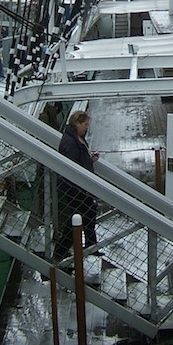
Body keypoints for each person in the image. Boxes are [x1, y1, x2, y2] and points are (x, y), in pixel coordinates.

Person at [55, 109, 99, 259]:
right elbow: (73, 165)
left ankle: (90, 245)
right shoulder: (72, 142)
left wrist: (89, 158)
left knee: (86, 212)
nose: (86, 127)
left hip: (77, 186)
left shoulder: (75, 138)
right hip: (75, 187)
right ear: (77, 123)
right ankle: (63, 249)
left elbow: (79, 160)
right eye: (85, 124)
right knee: (85, 212)